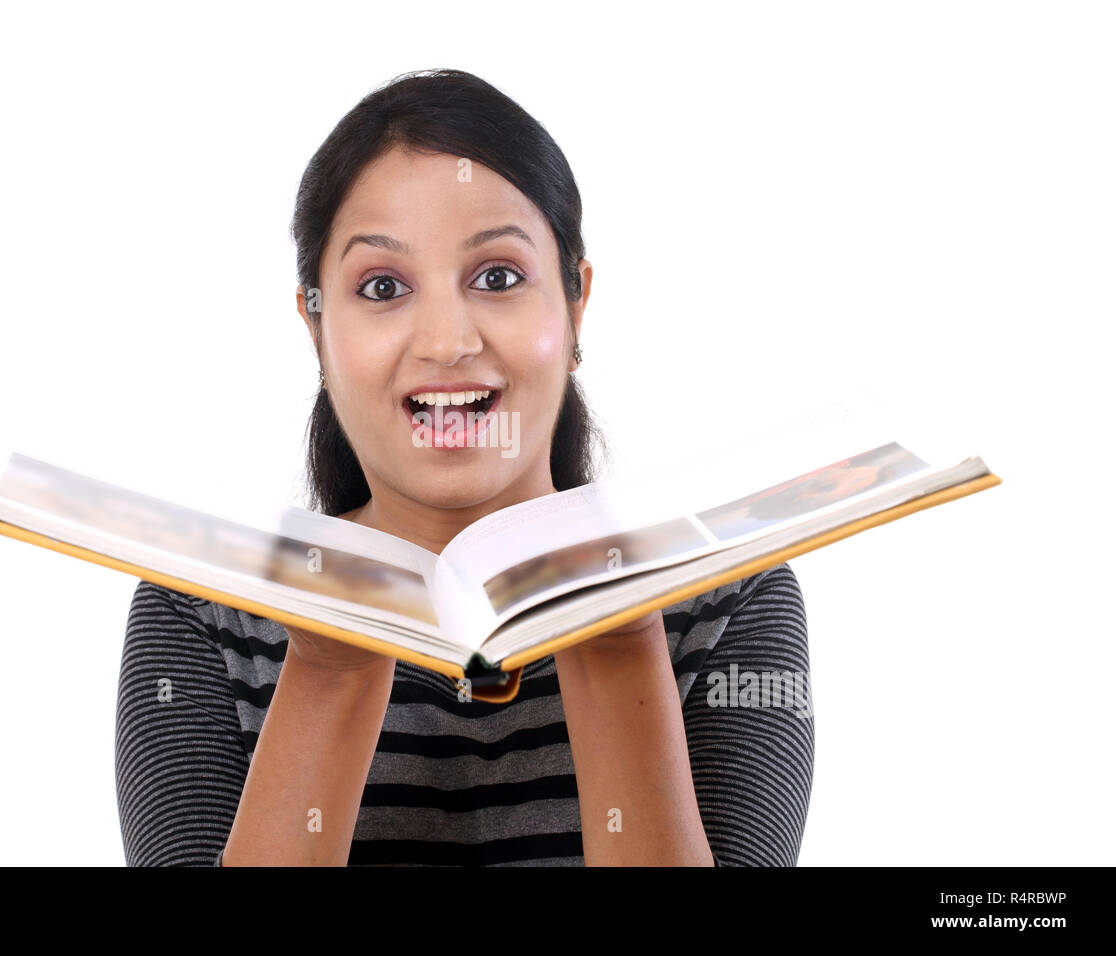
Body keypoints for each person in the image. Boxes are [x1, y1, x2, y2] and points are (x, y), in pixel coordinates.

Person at [115, 68, 813, 866]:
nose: (447, 341)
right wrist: (329, 672)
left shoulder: (728, 598)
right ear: (316, 327)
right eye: (382, 286)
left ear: (575, 302)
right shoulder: (204, 609)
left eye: (498, 277)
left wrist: (619, 653)